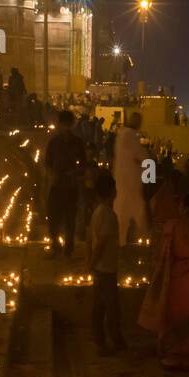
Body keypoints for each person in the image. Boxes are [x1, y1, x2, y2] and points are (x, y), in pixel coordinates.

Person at [138, 192, 189, 371]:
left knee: (173, 313)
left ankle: (172, 353)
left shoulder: (172, 227)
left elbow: (161, 252)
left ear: (187, 209)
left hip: (176, 278)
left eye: (181, 205)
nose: (178, 208)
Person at [88, 173, 127, 355]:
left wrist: (91, 261)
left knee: (100, 307)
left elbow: (91, 238)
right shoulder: (109, 215)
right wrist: (93, 262)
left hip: (101, 267)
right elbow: (102, 242)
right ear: (112, 191)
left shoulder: (97, 212)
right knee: (110, 308)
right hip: (106, 269)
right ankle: (111, 342)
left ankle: (101, 341)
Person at [43, 110, 85, 258]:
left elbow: (83, 165)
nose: (66, 128)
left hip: (71, 187)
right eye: (63, 125)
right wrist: (52, 174)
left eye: (68, 125)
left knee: (70, 220)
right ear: (59, 125)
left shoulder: (78, 143)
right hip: (56, 186)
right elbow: (47, 163)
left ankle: (68, 250)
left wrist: (76, 173)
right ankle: (55, 246)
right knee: (53, 218)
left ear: (72, 125)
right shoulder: (54, 143)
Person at [113, 112, 150, 246]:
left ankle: (122, 243)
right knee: (138, 214)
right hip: (131, 184)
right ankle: (145, 243)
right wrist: (149, 180)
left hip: (123, 183)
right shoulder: (131, 135)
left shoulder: (122, 135)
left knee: (122, 216)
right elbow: (144, 158)